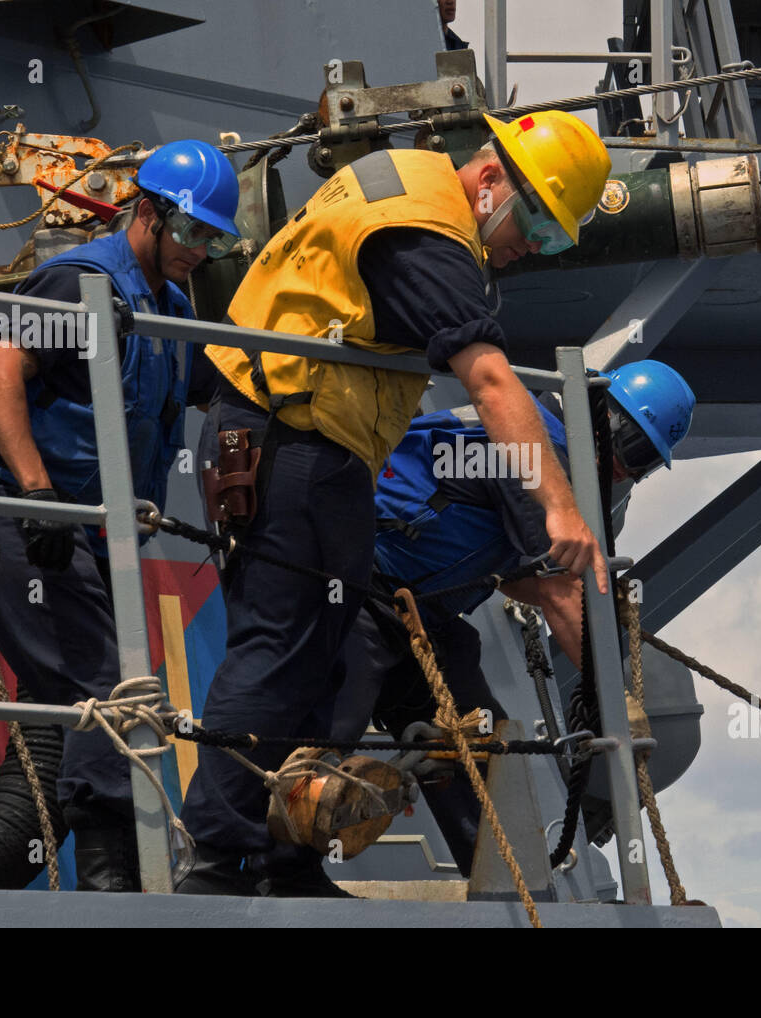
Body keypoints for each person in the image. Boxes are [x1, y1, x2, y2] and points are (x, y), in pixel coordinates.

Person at [177, 110, 613, 896]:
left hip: (301, 441)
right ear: (489, 182)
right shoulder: (426, 228)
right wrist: (560, 508)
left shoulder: (403, 188)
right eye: (539, 229)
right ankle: (221, 859)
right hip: (292, 438)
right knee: (280, 650)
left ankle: (283, 859)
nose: (528, 252)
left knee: (313, 656)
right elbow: (488, 381)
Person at [0, 140, 240, 891]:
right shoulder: (82, 285)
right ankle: (113, 877)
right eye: (191, 233)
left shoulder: (171, 309)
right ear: (147, 212)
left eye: (213, 239)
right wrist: (39, 493)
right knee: (109, 679)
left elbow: (219, 394)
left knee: (87, 687)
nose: (199, 252)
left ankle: (109, 863)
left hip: (90, 537)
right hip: (23, 517)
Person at [329, 360, 697, 875]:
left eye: (645, 465)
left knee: (474, 739)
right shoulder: (534, 449)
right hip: (357, 586)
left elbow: (509, 573)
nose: (624, 472)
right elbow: (556, 590)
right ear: (602, 419)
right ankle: (266, 867)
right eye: (632, 450)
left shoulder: (542, 450)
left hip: (417, 616)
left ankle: (500, 883)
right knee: (324, 737)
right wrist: (616, 697)